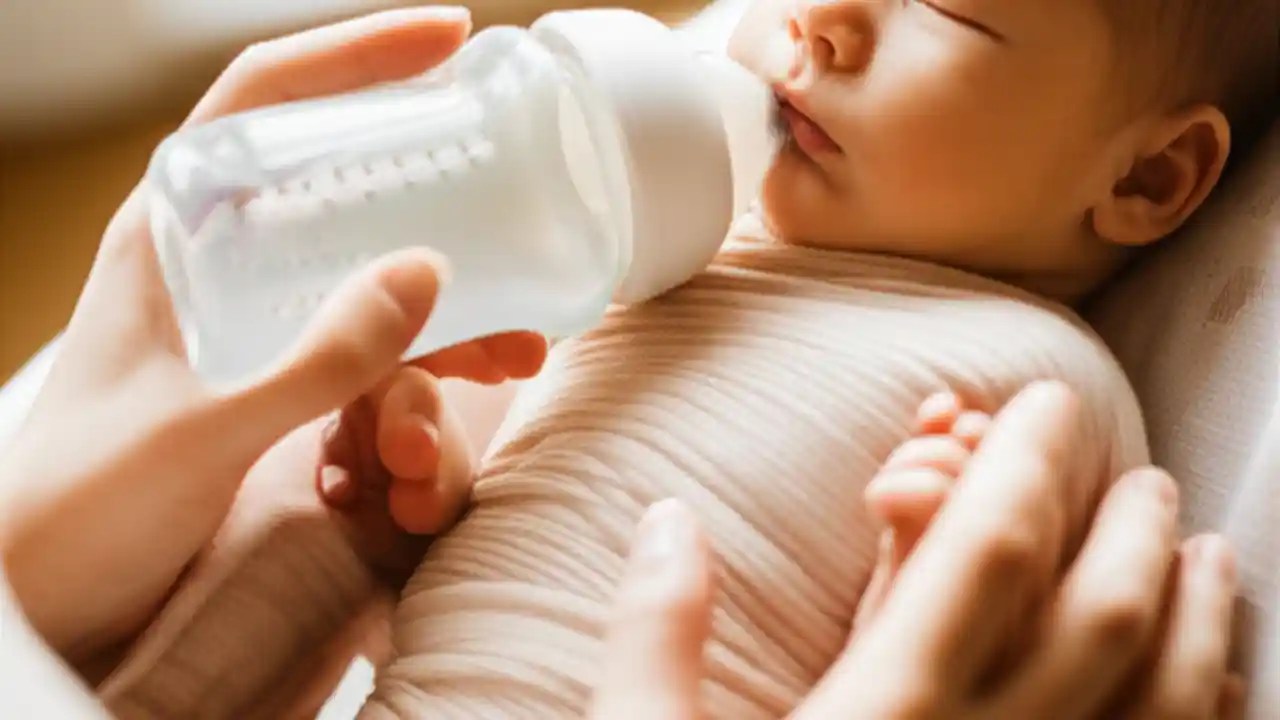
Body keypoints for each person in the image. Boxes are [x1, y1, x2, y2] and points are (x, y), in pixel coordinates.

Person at [0, 5, 1257, 718]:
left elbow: (1006, 624)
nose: (814, 17)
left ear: (1146, 178)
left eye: (941, 4)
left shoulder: (1041, 382)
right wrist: (376, 533)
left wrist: (916, 545)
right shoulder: (667, 262)